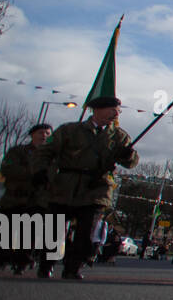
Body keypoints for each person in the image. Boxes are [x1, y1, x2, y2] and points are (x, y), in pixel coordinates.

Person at [36, 97, 139, 280]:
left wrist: (128, 155)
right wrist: (43, 172)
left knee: (86, 232)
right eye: (112, 109)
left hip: (96, 188)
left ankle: (73, 267)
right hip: (65, 185)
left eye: (118, 111)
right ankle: (46, 264)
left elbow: (131, 163)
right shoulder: (69, 130)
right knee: (55, 229)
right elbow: (46, 151)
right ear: (97, 110)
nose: (116, 114)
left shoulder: (119, 136)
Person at [0, 123, 53, 275]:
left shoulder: (52, 156)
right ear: (32, 135)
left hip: (37, 201)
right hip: (14, 198)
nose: (44, 136)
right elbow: (8, 169)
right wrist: (33, 174)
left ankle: (22, 262)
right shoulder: (17, 151)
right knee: (5, 233)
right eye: (40, 132)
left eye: (47, 133)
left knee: (29, 235)